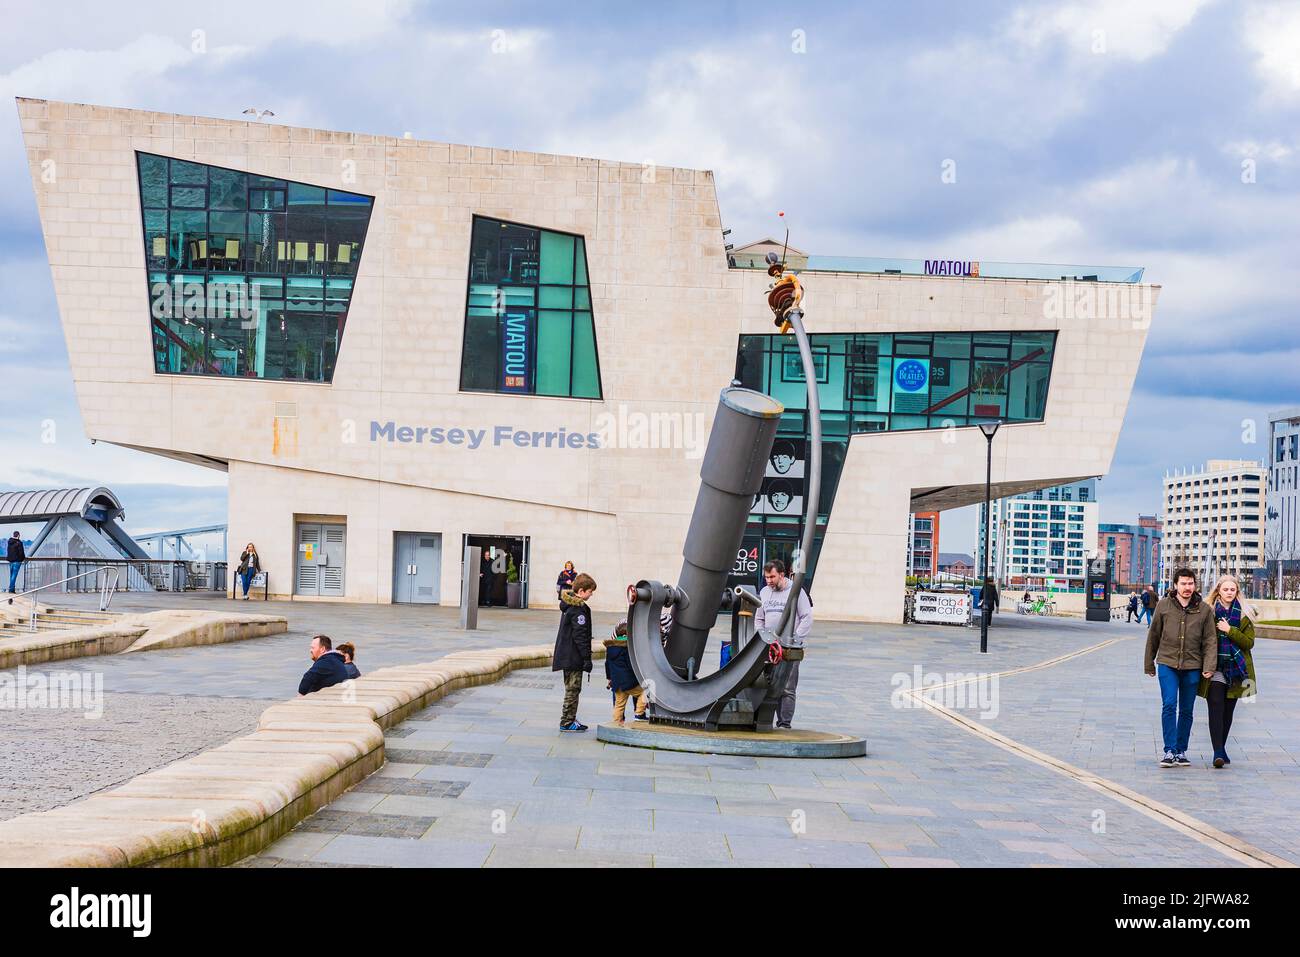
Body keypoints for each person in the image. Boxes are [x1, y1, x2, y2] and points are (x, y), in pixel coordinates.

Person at [1144, 568, 1216, 768]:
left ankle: (1181, 750)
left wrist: (1209, 665)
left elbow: (1210, 640)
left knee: (1186, 709)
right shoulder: (1163, 606)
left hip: (1193, 666)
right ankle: (1169, 750)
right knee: (1169, 704)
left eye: (1190, 583)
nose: (1187, 587)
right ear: (1175, 585)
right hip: (1167, 663)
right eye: (1183, 583)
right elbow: (1154, 635)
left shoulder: (1204, 609)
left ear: (1195, 585)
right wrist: (1149, 663)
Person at [1198, 575, 1257, 769]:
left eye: (1233, 590)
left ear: (1237, 592)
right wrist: (1206, 666)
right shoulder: (1208, 612)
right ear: (1218, 591)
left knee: (1228, 712)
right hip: (1215, 667)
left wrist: (1229, 630)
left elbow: (1249, 643)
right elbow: (1202, 641)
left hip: (1237, 670)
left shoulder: (1245, 615)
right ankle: (1217, 752)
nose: (1229, 592)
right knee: (1215, 707)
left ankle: (1221, 747)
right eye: (1226, 589)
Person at [752, 559, 812, 729]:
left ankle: (784, 724)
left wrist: (795, 640)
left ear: (782, 575)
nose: (769, 581)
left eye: (772, 577)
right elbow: (759, 618)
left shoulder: (795, 591)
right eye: (766, 577)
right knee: (766, 684)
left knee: (787, 687)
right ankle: (764, 722)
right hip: (769, 647)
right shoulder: (764, 592)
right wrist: (762, 637)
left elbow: (807, 617)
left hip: (788, 648)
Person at [552, 572, 596, 732]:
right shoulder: (578, 610)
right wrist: (586, 658)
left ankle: (570, 717)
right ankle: (567, 721)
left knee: (571, 687)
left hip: (567, 654)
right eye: (590, 591)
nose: (591, 594)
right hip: (573, 656)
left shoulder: (569, 606)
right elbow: (580, 636)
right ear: (582, 591)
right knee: (573, 689)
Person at [604, 621, 648, 724]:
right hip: (629, 682)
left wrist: (610, 679)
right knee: (646, 691)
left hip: (617, 683)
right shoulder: (628, 648)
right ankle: (639, 713)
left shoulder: (610, 648)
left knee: (619, 705)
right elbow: (631, 665)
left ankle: (616, 723)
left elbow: (607, 665)